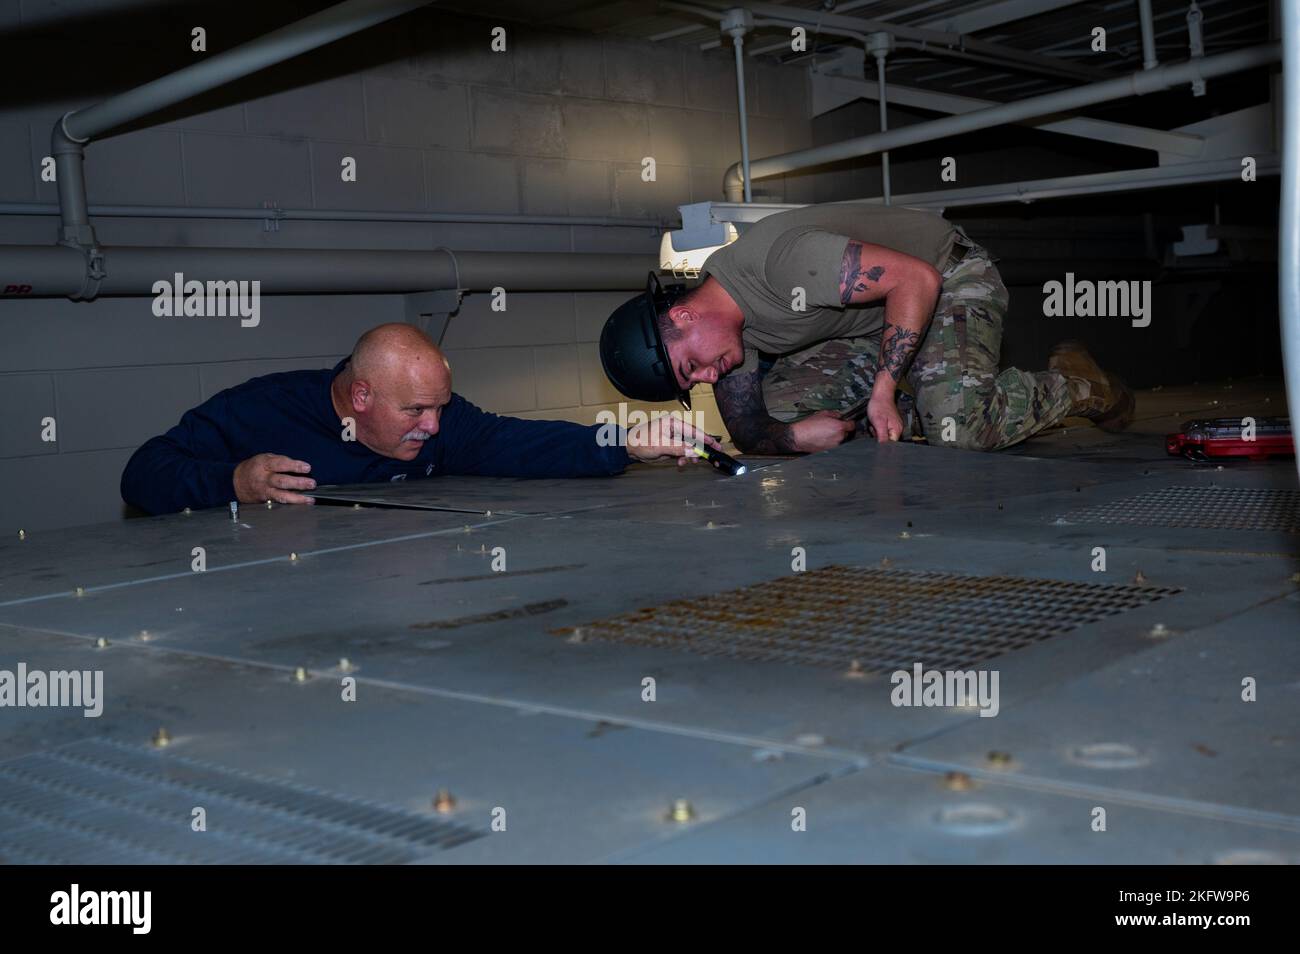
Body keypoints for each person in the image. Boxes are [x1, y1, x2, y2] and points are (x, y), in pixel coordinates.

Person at [599, 201, 1133, 454]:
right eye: (690, 383)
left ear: (683, 316)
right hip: (873, 319)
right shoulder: (731, 330)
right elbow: (750, 427)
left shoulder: (780, 263)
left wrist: (881, 391)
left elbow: (915, 280)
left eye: (690, 367)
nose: (703, 378)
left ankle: (1083, 385)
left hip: (946, 276)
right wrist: (790, 435)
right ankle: (918, 406)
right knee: (787, 413)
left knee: (960, 427)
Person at [121, 322, 718, 515]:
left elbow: (516, 442)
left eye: (440, 407)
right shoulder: (258, 411)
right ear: (360, 398)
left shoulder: (442, 422)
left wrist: (626, 441)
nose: (433, 426)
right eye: (415, 411)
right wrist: (233, 482)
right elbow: (144, 473)